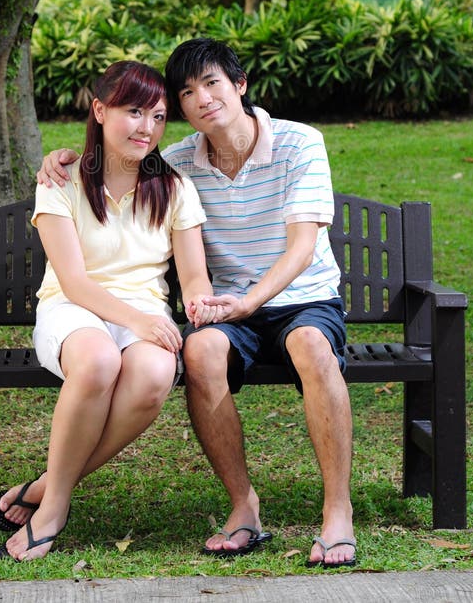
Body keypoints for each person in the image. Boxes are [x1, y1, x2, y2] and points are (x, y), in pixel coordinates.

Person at [33, 39, 356, 568]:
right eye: (187, 92)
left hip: (299, 298)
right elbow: (116, 151)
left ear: (240, 85)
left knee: (311, 346)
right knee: (201, 354)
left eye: (212, 83)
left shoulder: (300, 143)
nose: (202, 98)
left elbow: (301, 249)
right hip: (225, 308)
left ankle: (337, 511)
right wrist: (59, 157)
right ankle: (243, 507)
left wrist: (249, 302)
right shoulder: (178, 162)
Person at [0, 61, 212, 562]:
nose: (147, 128)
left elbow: (194, 274)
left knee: (157, 371)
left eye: (158, 117)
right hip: (73, 310)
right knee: (98, 363)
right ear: (100, 110)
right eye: (134, 112)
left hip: (143, 312)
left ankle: (45, 485)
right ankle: (54, 508)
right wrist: (137, 321)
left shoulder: (174, 188)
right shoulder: (61, 179)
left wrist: (198, 299)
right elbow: (73, 281)